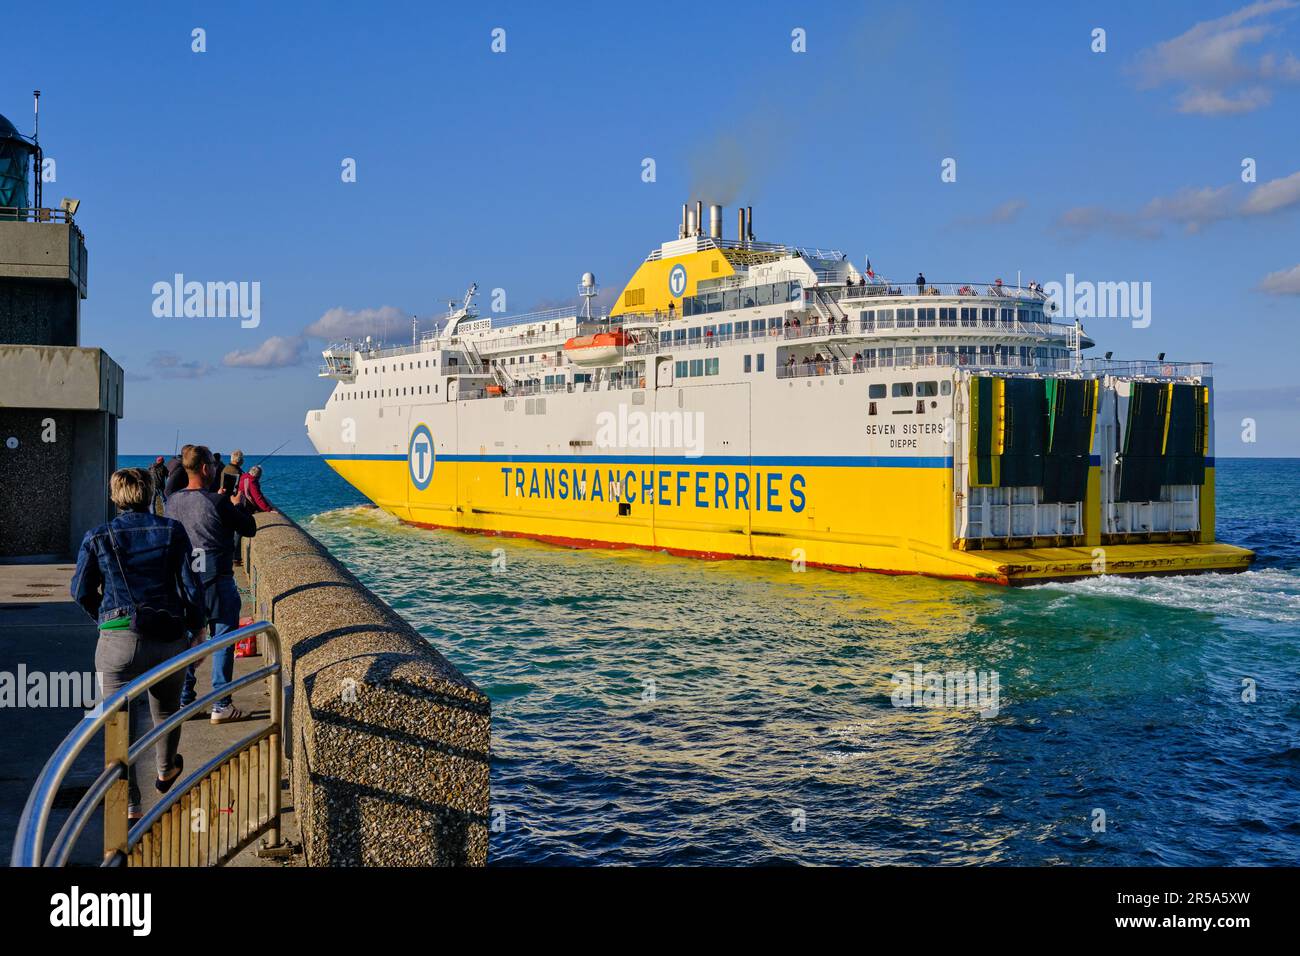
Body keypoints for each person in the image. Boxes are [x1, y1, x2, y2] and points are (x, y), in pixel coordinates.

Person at [71, 468, 207, 821]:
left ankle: (129, 802)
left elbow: (80, 591)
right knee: (166, 710)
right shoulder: (172, 531)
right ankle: (165, 770)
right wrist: (196, 629)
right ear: (150, 494)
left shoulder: (98, 536)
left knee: (118, 723)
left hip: (118, 637)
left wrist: (105, 619)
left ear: (115, 497)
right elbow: (191, 588)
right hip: (168, 636)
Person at [166, 445, 258, 723]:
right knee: (223, 638)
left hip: (183, 579)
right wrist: (236, 505)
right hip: (216, 577)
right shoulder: (217, 503)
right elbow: (249, 528)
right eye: (213, 466)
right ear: (206, 468)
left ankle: (184, 701)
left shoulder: (172, 501)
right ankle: (221, 703)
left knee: (189, 639)